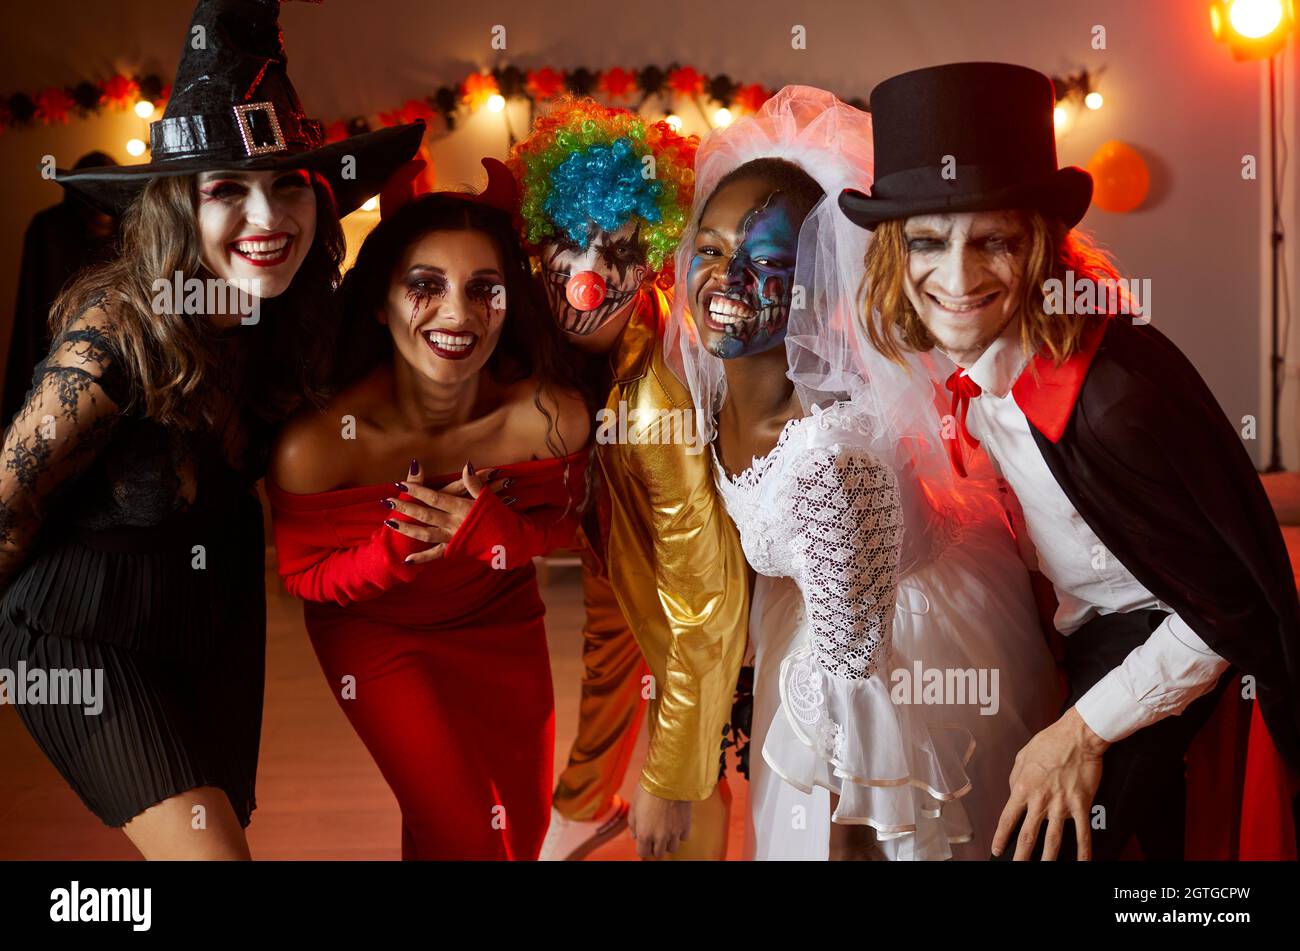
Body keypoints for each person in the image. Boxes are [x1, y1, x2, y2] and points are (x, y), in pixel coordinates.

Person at [839, 61, 1300, 860]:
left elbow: (1229, 610)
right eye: (927, 241)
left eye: (994, 240)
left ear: (1042, 247)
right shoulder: (977, 370)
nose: (957, 278)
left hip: (1169, 637)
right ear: (891, 252)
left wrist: (1081, 732)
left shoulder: (1115, 400)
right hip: (1076, 633)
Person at [0, 0, 422, 859]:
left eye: (286, 189)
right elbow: (5, 504)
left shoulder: (293, 318)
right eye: (228, 190)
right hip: (78, 630)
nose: (267, 221)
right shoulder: (118, 332)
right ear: (174, 209)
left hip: (213, 619)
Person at [667, 85, 1060, 860]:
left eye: (768, 259)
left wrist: (847, 836)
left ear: (819, 281)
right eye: (711, 250)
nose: (727, 278)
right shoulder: (713, 385)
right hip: (829, 606)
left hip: (902, 652)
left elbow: (857, 692)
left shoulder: (830, 468)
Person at [267, 162, 590, 861]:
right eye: (425, 285)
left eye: (485, 289)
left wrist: (506, 538)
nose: (458, 313)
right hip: (379, 639)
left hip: (501, 624)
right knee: (466, 834)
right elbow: (301, 577)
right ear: (381, 303)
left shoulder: (547, 417)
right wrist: (392, 549)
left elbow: (583, 525)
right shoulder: (319, 446)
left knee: (517, 833)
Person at [510, 97, 751, 860]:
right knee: (607, 649)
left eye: (615, 250)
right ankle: (583, 802)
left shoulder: (653, 402)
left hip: (702, 600)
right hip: (619, 551)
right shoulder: (564, 342)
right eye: (569, 244)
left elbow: (705, 612)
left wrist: (671, 775)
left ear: (651, 256)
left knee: (684, 789)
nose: (586, 275)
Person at [3, 151, 119, 425]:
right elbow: (30, 309)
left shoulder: (130, 230)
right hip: (54, 354)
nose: (97, 209)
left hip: (113, 363)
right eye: (90, 198)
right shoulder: (48, 229)